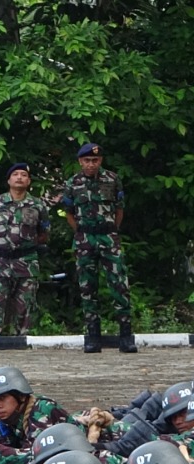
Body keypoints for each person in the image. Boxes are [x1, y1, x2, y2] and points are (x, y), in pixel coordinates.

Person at [62, 141, 134, 353]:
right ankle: (93, 336)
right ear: (80, 161)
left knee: (119, 284)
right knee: (87, 286)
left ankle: (126, 336)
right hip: (85, 239)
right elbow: (69, 213)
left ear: (100, 160)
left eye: (95, 160)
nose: (91, 164)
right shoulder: (73, 182)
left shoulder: (112, 179)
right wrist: (82, 232)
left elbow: (119, 209)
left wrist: (111, 230)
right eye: (87, 160)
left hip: (109, 237)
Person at [0, 162, 48, 337]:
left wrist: (24, 247)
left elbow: (44, 233)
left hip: (26, 262)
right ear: (9, 180)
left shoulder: (37, 205)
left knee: (25, 308)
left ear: (29, 181)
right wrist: (2, 246)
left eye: (23, 175)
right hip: (0, 262)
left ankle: (22, 342)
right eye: (15, 174)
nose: (19, 177)